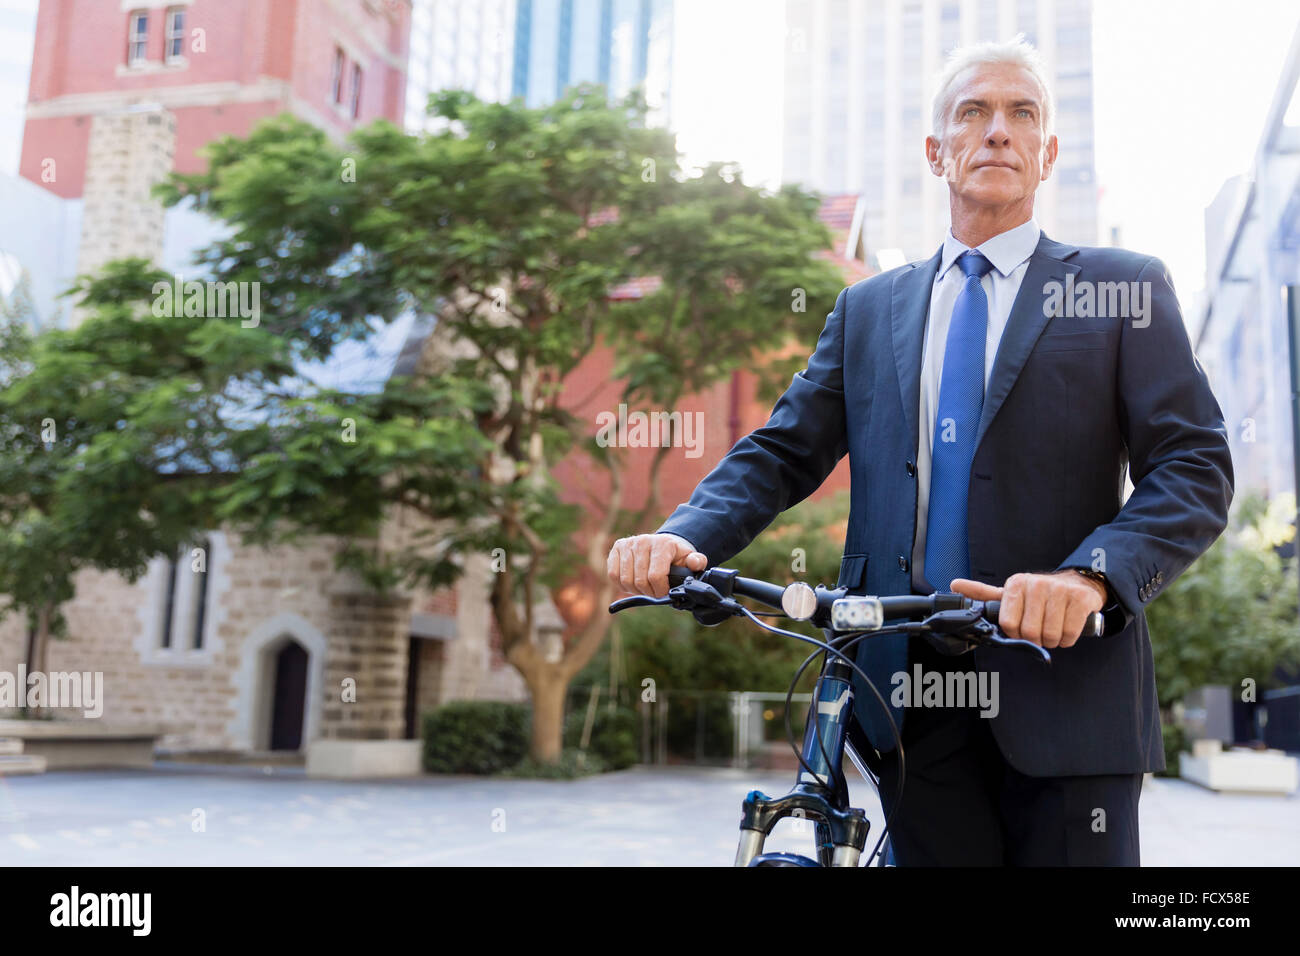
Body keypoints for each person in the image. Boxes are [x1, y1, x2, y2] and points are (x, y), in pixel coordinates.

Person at [605, 36, 1233, 866]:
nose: (998, 132)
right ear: (937, 151)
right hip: (903, 693)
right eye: (973, 112)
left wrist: (1089, 577)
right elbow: (785, 448)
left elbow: (1194, 465)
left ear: (1047, 153)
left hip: (1068, 693)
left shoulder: (1123, 287)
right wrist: (689, 533)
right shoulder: (869, 310)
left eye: (1023, 115)